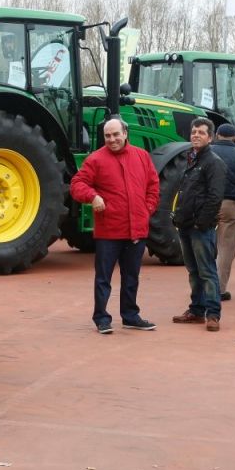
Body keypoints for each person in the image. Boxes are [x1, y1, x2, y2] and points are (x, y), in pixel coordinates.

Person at [70, 119, 160, 334]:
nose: (112, 139)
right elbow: (77, 184)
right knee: (104, 278)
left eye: (116, 134)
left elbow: (153, 186)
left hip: (136, 229)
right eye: (107, 136)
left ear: (125, 133)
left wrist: (146, 210)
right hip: (109, 230)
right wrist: (92, 196)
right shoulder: (96, 159)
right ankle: (101, 317)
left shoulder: (142, 156)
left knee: (131, 277)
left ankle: (130, 315)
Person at [171, 117, 227, 332]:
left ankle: (213, 314)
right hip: (185, 225)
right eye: (194, 132)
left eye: (201, 132)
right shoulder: (191, 160)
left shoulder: (214, 163)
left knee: (206, 271)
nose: (195, 135)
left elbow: (215, 198)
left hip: (199, 228)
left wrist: (201, 223)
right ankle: (196, 310)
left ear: (210, 137)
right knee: (193, 271)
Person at [210, 123, 235, 301]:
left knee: (204, 245)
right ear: (234, 137)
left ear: (217, 134)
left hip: (207, 203)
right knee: (226, 248)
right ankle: (219, 289)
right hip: (231, 203)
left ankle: (202, 286)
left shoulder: (207, 152)